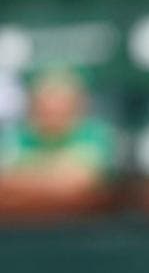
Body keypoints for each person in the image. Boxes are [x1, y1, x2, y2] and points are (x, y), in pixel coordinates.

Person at [0, 69, 114, 213]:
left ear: (78, 103)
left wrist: (26, 178)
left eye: (61, 100)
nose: (52, 107)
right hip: (20, 225)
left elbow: (78, 185)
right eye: (46, 100)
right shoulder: (15, 136)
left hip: (83, 226)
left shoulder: (96, 134)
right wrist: (54, 175)